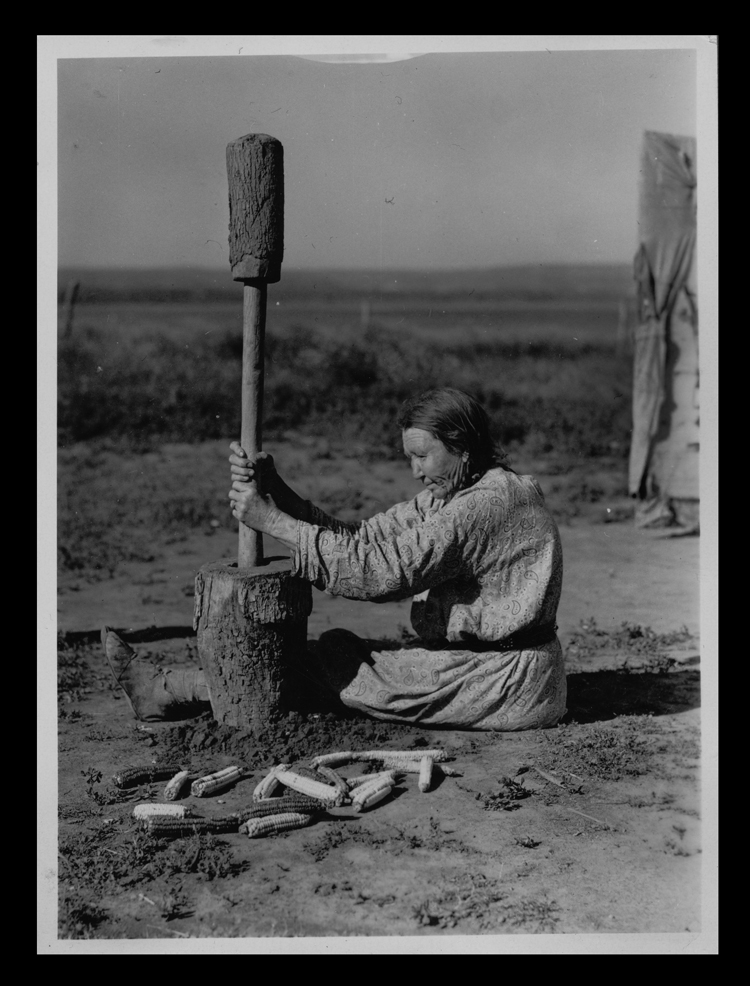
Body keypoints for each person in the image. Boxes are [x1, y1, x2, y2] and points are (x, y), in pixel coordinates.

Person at [103, 388, 566, 730]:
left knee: (334, 665)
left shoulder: (483, 506)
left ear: (462, 446)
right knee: (338, 652)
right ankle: (172, 690)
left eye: (423, 456)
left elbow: (379, 572)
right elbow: (366, 539)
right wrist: (279, 495)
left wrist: (275, 524)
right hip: (497, 669)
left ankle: (168, 691)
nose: (415, 471)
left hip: (506, 681)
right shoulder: (468, 492)